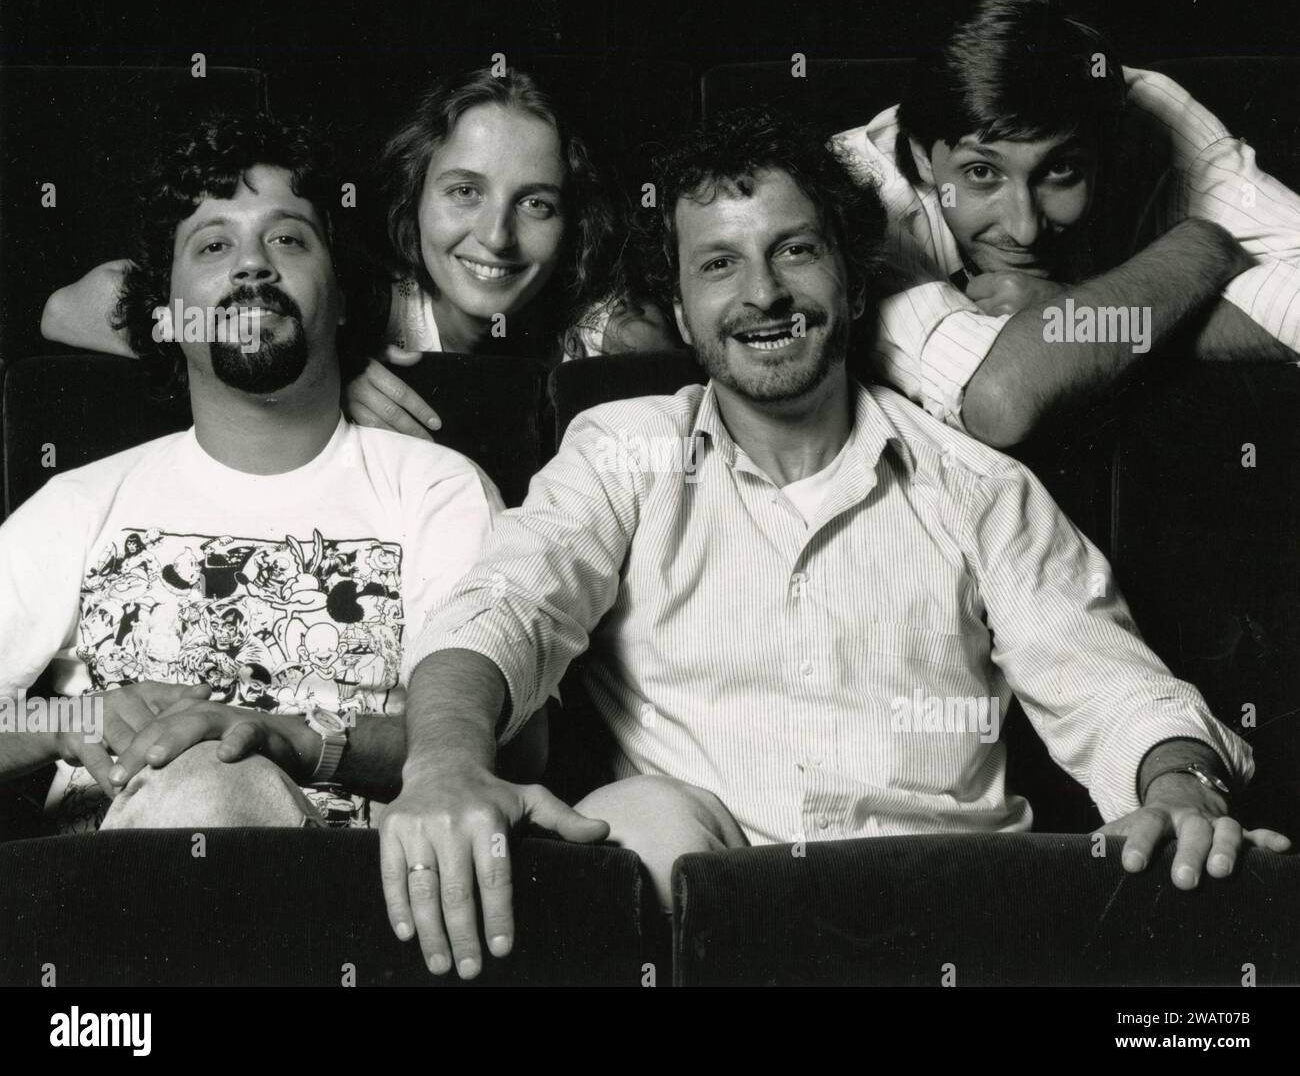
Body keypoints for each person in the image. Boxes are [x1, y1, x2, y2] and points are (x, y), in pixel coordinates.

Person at [376, 107, 1287, 981]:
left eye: (794, 252)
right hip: (707, 920)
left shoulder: (979, 488)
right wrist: (449, 762)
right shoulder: (624, 451)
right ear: (686, 316)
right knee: (629, 823)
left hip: (939, 924)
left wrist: (1179, 789)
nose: (763, 293)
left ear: (852, 282)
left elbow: (1112, 685)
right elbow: (504, 604)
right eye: (720, 265)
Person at [0, 112, 519, 834]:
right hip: (109, 900)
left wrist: (289, 738)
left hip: (351, 907)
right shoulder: (81, 502)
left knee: (218, 779)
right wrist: (67, 721)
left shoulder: (437, 491)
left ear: (339, 299)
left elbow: (505, 741)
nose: (253, 264)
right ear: (170, 317)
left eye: (287, 238)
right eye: (214, 245)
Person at [39, 67, 682, 440]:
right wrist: (314, 366)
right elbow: (69, 309)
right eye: (464, 192)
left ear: (573, 220)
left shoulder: (610, 332)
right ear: (415, 195)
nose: (496, 236)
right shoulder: (363, 300)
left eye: (535, 203)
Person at [833, 0, 1300, 447]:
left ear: (1106, 153)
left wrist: (1072, 313)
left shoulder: (1137, 113)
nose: (1025, 229)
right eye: (981, 173)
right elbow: (1001, 398)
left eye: (1060, 171)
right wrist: (1200, 251)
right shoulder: (858, 197)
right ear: (921, 157)